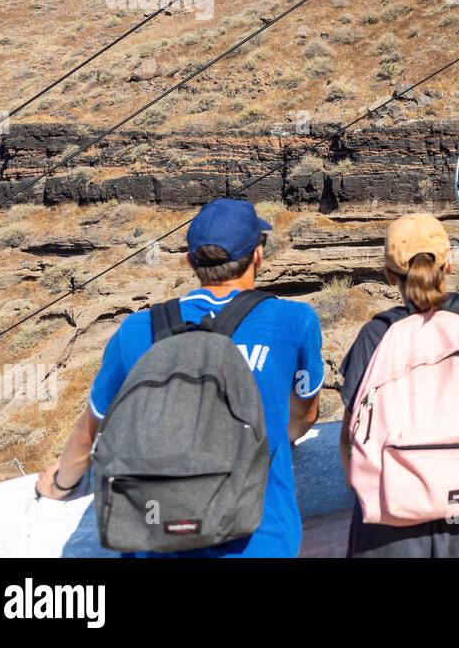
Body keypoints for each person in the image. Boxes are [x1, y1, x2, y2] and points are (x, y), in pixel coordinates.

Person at [35, 198, 325, 558]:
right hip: (261, 538)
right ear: (258, 256)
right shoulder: (294, 320)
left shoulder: (138, 330)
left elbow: (89, 431)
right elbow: (303, 416)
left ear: (191, 261)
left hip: (156, 538)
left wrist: (62, 483)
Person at [339, 213, 459, 557]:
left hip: (391, 518)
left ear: (388, 273)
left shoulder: (376, 335)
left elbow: (350, 435)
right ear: (448, 265)